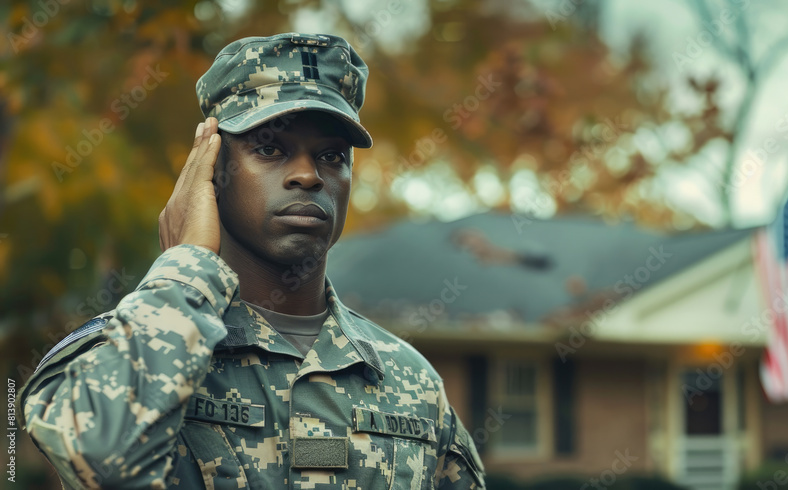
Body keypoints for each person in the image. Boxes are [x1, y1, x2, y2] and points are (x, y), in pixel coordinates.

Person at [16, 32, 486, 489]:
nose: (308, 175)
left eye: (331, 155)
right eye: (269, 148)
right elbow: (102, 462)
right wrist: (189, 263)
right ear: (212, 169)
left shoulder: (412, 380)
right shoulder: (112, 352)